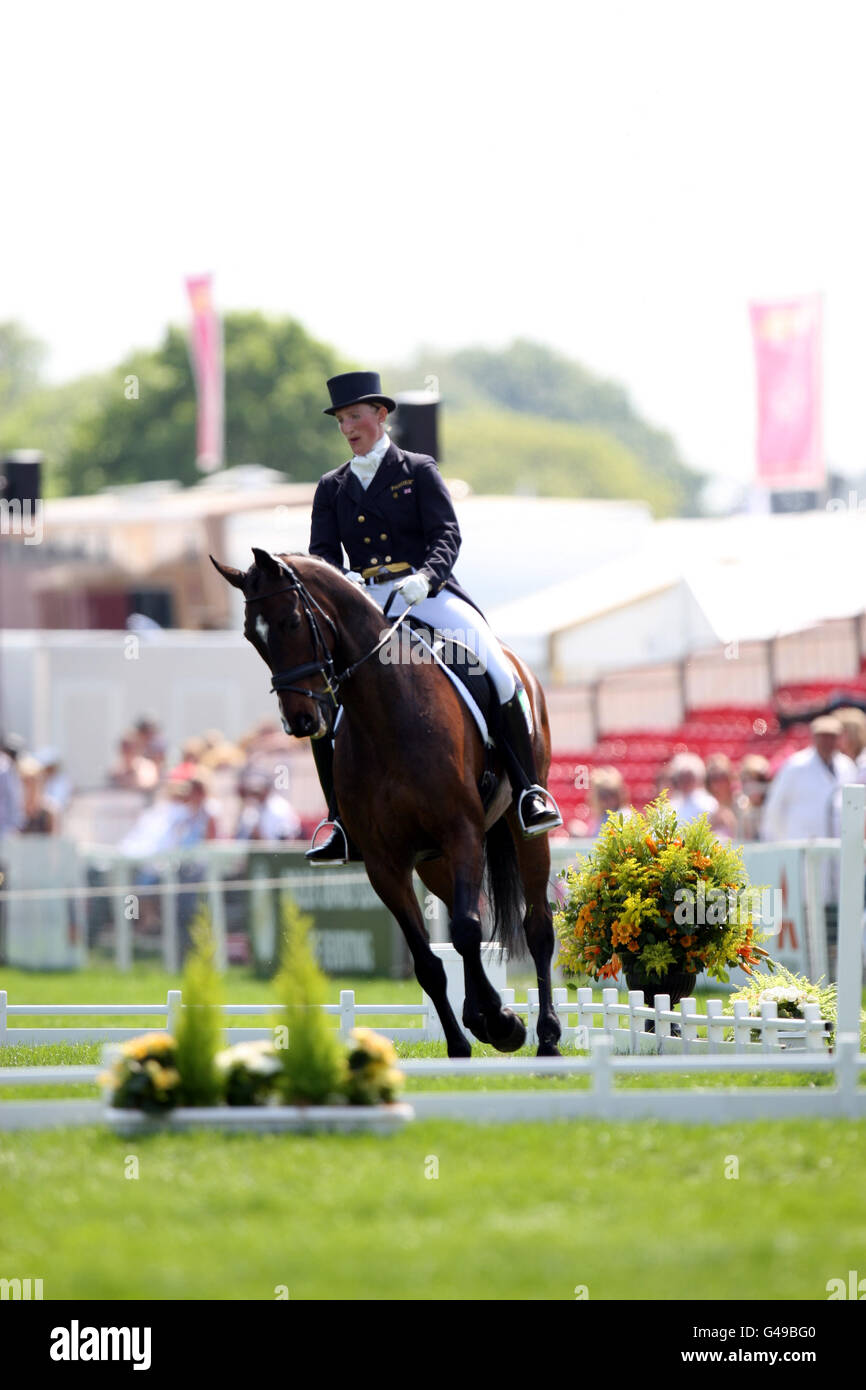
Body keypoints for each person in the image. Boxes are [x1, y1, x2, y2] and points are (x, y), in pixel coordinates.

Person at [305, 370, 562, 862]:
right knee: (326, 703)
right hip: (366, 605)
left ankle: (529, 791)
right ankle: (340, 821)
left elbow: (448, 534)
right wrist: (346, 584)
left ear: (380, 415)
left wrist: (426, 576)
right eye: (340, 420)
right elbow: (321, 556)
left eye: (355, 416)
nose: (347, 427)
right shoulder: (332, 487)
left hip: (427, 592)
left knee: (497, 668)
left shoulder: (417, 470)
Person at [667, 752, 718, 826]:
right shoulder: (672, 805)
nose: (685, 781)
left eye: (689, 778)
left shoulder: (709, 804)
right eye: (682, 777)